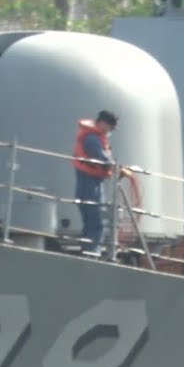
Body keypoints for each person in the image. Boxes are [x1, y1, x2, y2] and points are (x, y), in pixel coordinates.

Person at [71, 110, 122, 257]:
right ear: (102, 123)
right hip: (88, 182)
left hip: (93, 182)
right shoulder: (92, 138)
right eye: (111, 127)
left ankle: (88, 249)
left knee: (92, 219)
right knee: (95, 219)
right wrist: (114, 165)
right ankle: (91, 251)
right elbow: (99, 156)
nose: (110, 130)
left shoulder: (94, 136)